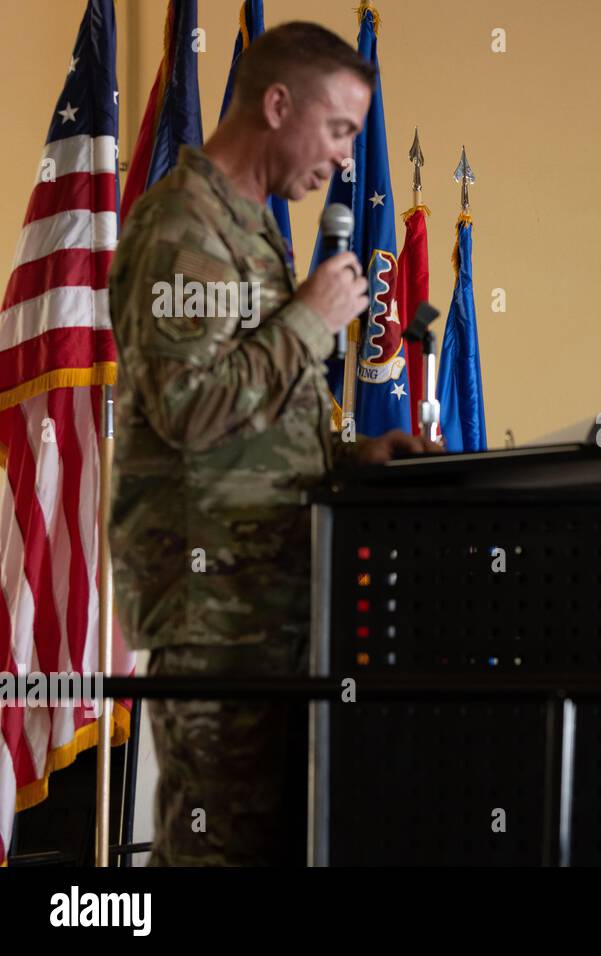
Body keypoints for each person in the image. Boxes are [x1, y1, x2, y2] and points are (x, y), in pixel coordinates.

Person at [109, 22, 438, 865]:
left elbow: (252, 426)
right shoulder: (184, 224)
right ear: (277, 102)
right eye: (337, 129)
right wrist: (307, 319)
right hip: (212, 604)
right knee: (218, 844)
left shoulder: (251, 230)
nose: (342, 157)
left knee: (276, 840)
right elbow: (187, 408)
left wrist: (352, 460)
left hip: (274, 592)